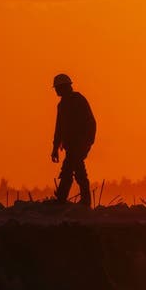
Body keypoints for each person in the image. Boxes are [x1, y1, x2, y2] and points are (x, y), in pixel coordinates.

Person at [50, 74, 96, 207]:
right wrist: (55, 148)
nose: (56, 90)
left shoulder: (78, 100)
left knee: (74, 171)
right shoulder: (62, 105)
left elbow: (91, 123)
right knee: (70, 170)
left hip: (79, 144)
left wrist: (87, 142)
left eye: (57, 88)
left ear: (64, 87)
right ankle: (64, 199)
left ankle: (75, 201)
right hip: (70, 145)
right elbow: (59, 128)